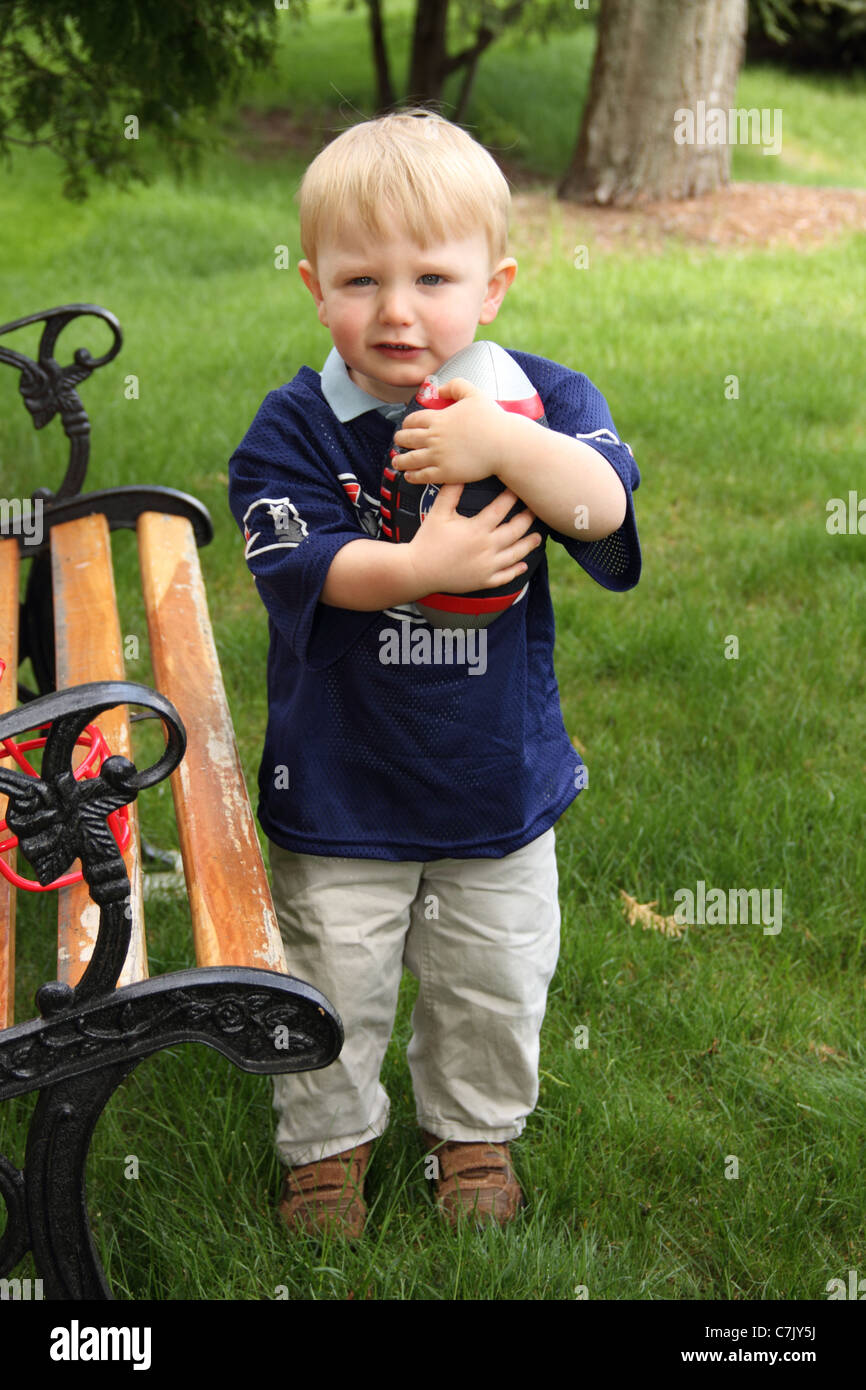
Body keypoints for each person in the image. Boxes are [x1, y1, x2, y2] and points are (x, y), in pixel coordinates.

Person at [228, 107, 641, 1238]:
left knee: (491, 977)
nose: (397, 310)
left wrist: (502, 447)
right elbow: (288, 555)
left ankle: (473, 1137)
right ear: (314, 286)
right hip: (339, 783)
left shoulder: (538, 400)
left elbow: (600, 508)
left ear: (492, 285)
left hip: (492, 780)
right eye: (360, 279)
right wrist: (418, 564)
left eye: (432, 276)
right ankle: (325, 1151)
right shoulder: (297, 427)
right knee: (333, 982)